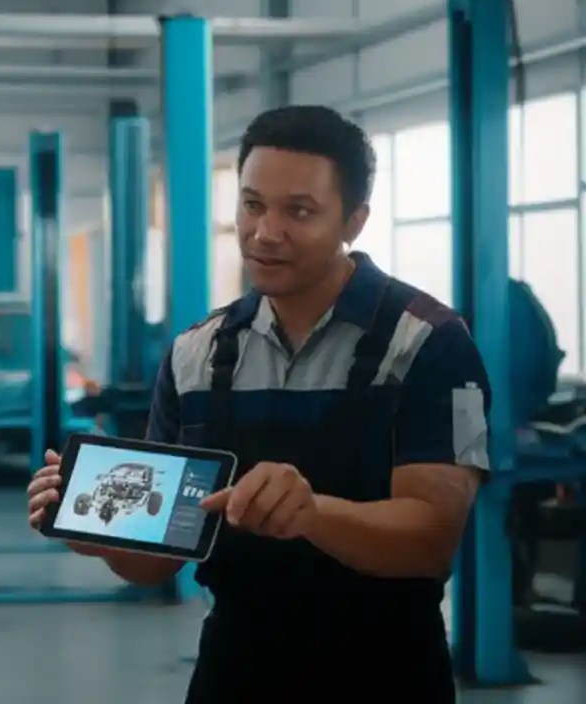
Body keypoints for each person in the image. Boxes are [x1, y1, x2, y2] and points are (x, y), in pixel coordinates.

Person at [28, 105, 490, 701]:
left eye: (299, 211)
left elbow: (432, 539)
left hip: (385, 672)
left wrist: (312, 514)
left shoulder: (430, 344)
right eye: (252, 205)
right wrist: (98, 535)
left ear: (354, 221)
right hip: (234, 670)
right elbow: (159, 561)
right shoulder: (195, 355)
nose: (266, 232)